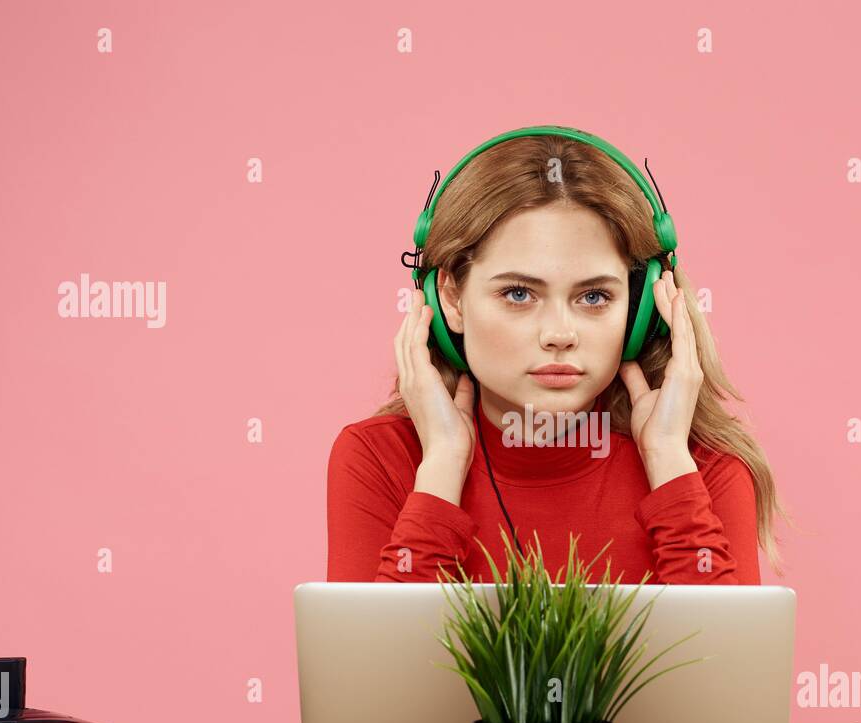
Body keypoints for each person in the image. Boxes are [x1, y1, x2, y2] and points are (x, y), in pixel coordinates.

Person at [326, 131, 789, 585]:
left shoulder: (704, 470)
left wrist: (668, 462)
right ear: (451, 297)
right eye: (519, 293)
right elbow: (373, 663)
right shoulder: (380, 459)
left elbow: (721, 662)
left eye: (593, 296)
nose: (559, 335)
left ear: (642, 307)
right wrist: (442, 469)